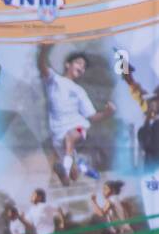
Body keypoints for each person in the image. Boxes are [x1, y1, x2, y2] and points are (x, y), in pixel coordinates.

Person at [39, 46, 115, 184]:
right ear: (68, 64)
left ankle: (66, 169)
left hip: (78, 126)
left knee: (71, 136)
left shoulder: (79, 91)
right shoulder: (54, 80)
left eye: (84, 66)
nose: (82, 68)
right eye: (79, 63)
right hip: (57, 133)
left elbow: (92, 116)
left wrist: (107, 113)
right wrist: (44, 50)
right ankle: (74, 170)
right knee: (72, 177)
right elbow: (42, 66)